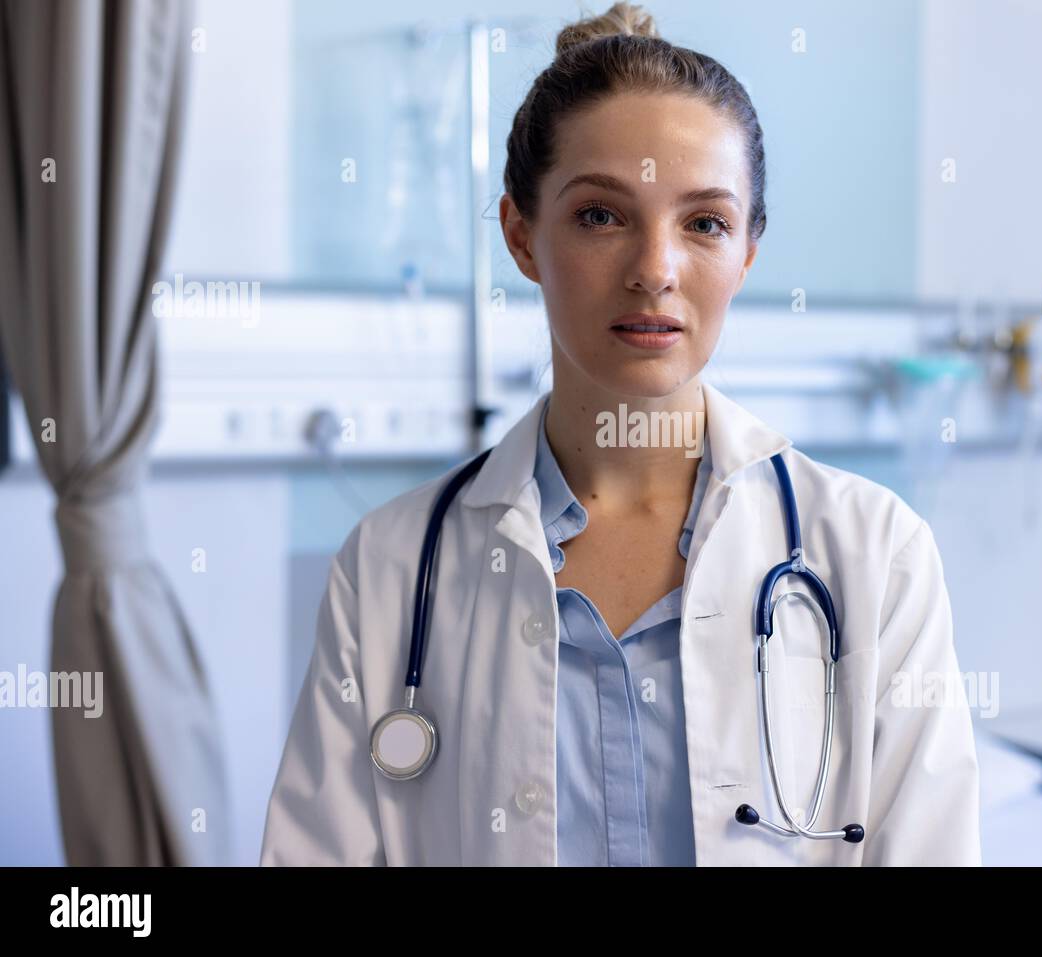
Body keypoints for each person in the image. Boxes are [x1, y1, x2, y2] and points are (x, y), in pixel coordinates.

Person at [261, 1, 980, 867]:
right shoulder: (389, 568)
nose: (655, 269)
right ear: (523, 237)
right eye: (602, 215)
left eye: (705, 222)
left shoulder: (875, 553)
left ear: (748, 251)